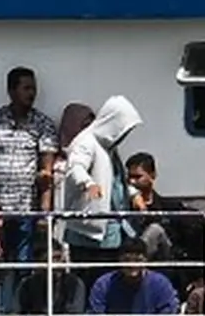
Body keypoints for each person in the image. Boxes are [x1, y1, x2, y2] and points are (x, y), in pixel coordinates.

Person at [0, 67, 60, 294]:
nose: (32, 93)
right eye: (26, 88)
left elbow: (47, 171)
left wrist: (43, 213)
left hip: (25, 209)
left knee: (23, 265)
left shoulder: (43, 124)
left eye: (34, 89)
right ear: (11, 91)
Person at [57, 96, 142, 264]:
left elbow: (115, 181)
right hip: (89, 233)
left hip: (114, 231)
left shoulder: (109, 148)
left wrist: (133, 194)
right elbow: (75, 168)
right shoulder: (86, 143)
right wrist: (89, 184)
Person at [80, 241, 178, 316]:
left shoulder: (161, 282)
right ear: (119, 261)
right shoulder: (104, 283)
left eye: (137, 260)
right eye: (127, 260)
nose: (132, 265)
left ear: (146, 260)